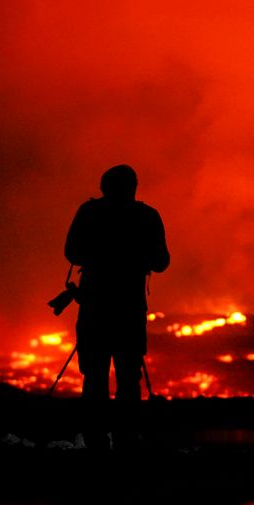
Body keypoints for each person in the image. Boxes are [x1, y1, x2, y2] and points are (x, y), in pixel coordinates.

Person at [64, 164, 169, 449]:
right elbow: (162, 262)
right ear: (133, 188)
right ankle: (126, 441)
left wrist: (99, 257)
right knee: (128, 377)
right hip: (129, 310)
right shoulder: (147, 216)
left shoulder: (89, 213)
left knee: (94, 376)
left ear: (104, 188)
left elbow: (71, 252)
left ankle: (96, 442)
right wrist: (134, 257)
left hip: (95, 308)